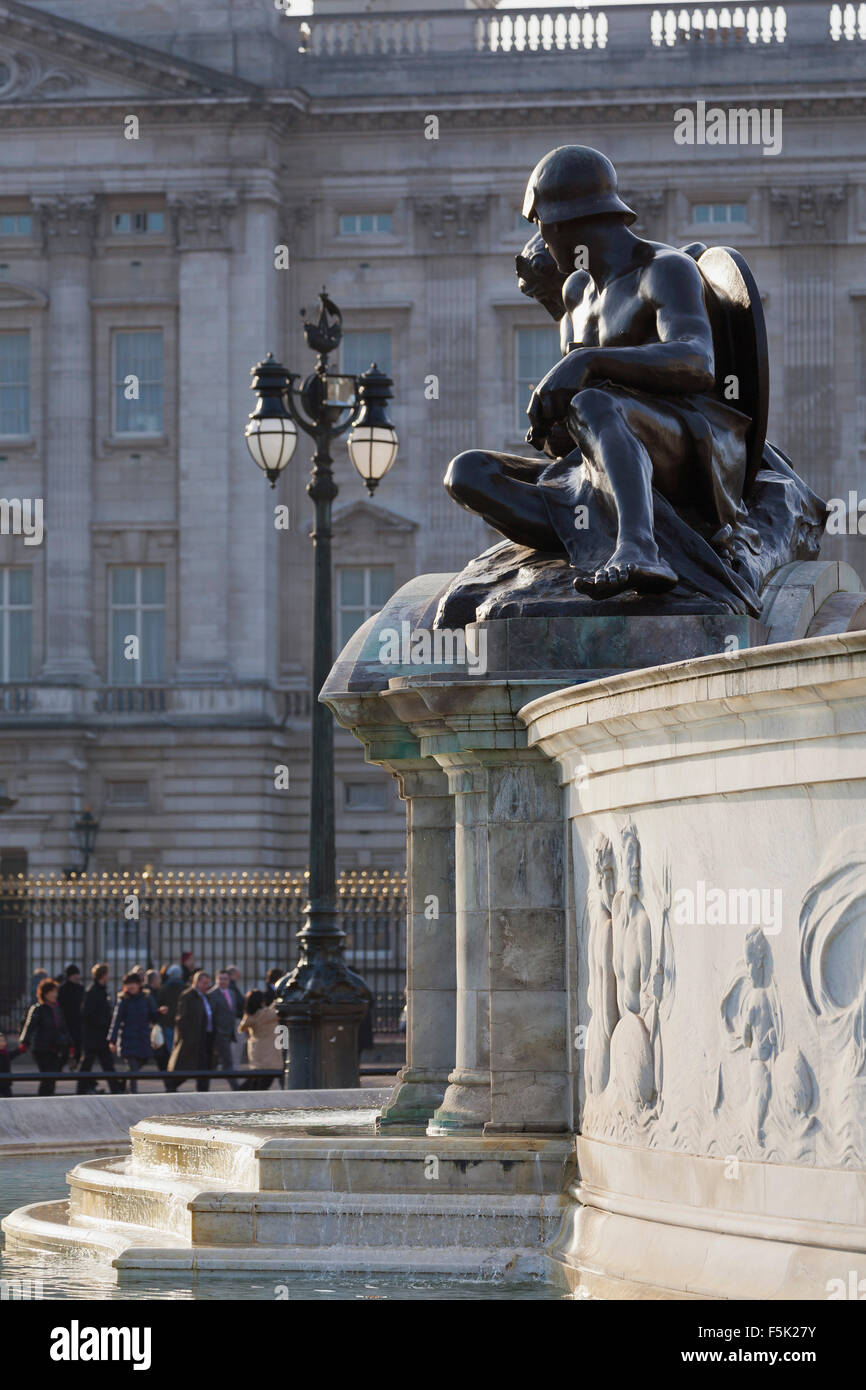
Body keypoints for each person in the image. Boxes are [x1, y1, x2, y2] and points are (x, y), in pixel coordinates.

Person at [107, 973, 163, 1093]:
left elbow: (153, 1016)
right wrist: (112, 1040)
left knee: (136, 1067)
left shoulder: (146, 998)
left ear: (139, 985)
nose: (130, 986)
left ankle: (124, 1086)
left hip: (143, 1039)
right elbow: (116, 1021)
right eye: (128, 984)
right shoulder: (123, 1001)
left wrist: (159, 1013)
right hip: (128, 1040)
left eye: (133, 984)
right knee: (132, 1069)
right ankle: (133, 1094)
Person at [77, 963, 125, 1094]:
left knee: (107, 1064)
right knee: (88, 1064)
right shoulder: (93, 991)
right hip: (94, 1035)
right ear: (103, 975)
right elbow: (88, 1013)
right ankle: (82, 1088)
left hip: (99, 1035)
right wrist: (103, 1023)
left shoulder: (100, 990)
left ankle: (115, 1089)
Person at [20, 978, 71, 1095]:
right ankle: (44, 1098)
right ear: (45, 994)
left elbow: (63, 1028)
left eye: (56, 991)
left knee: (51, 1077)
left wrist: (70, 1044)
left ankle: (47, 1098)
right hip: (41, 1049)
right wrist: (24, 1042)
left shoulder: (57, 1009)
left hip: (55, 1048)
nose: (55, 994)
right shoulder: (38, 1009)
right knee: (48, 1076)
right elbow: (29, 1026)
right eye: (52, 992)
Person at [167, 970, 213, 1091]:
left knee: (204, 1069)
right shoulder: (188, 996)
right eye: (204, 983)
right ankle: (171, 1087)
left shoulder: (206, 997)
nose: (206, 986)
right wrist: (186, 1036)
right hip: (191, 1038)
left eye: (208, 983)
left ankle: (203, 1092)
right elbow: (182, 1018)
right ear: (196, 982)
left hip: (205, 1037)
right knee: (185, 1067)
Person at [238, 990, 282, 1089]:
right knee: (262, 1086)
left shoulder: (250, 1015)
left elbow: (241, 1028)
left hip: (256, 1055)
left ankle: (238, 1093)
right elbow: (277, 1010)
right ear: (262, 1002)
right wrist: (277, 1000)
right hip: (270, 1057)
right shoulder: (268, 1014)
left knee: (255, 1083)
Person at [208, 970, 240, 1090]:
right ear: (216, 980)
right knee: (228, 1062)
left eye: (225, 979)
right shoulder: (212, 994)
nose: (223, 981)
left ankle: (203, 1086)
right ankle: (235, 1087)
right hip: (218, 1034)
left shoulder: (232, 993)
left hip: (229, 1033)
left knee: (214, 1062)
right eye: (220, 979)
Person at [57, 964, 85, 1065]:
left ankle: (74, 1062)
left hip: (77, 1021)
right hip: (66, 1021)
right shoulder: (62, 989)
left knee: (78, 1045)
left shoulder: (80, 988)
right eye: (74, 974)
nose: (77, 977)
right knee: (66, 1046)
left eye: (77, 974)